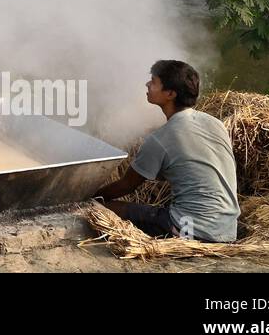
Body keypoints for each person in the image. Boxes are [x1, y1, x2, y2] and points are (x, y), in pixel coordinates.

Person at [93, 60, 240, 242]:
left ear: (170, 93)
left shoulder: (161, 138)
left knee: (109, 208)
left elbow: (127, 185)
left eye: (153, 82)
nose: (147, 84)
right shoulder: (215, 123)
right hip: (228, 230)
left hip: (191, 229)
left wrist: (92, 197)